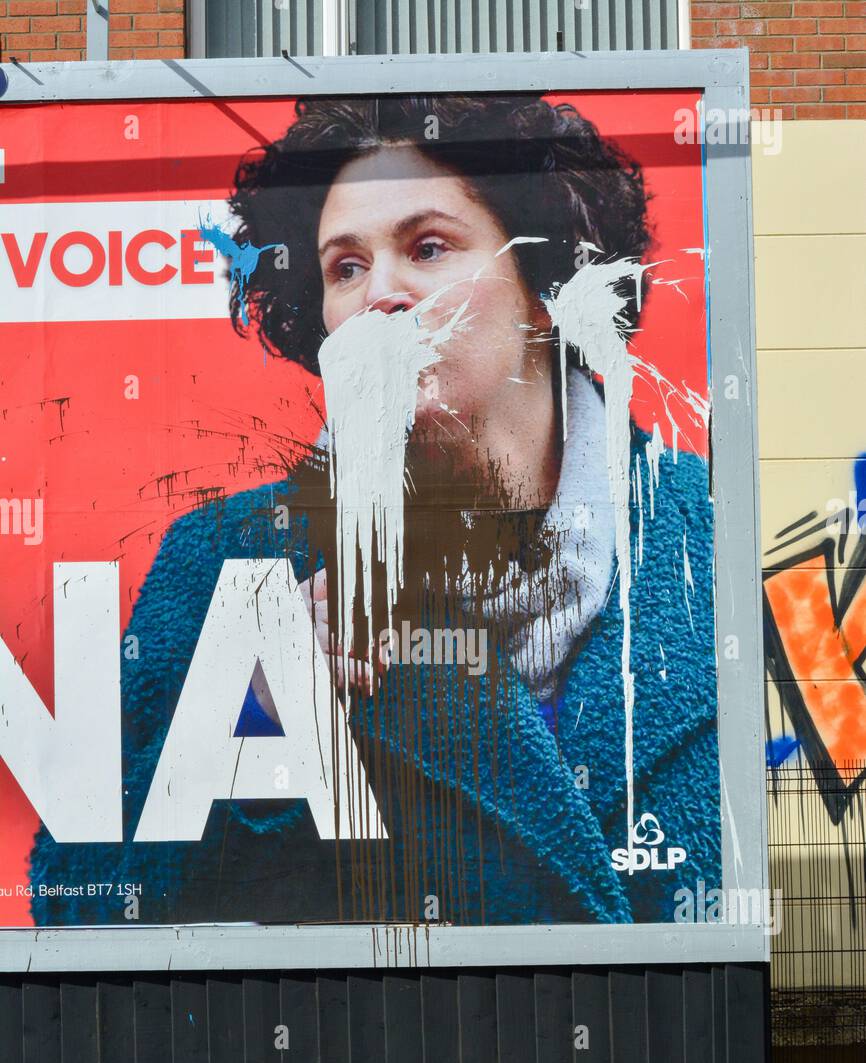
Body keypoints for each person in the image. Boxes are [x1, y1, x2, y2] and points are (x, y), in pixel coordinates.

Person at [30, 94, 721, 927]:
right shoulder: (227, 559)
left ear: (549, 285)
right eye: (346, 268)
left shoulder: (706, 535)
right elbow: (77, 899)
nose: (378, 296)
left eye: (427, 248)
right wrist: (256, 716)